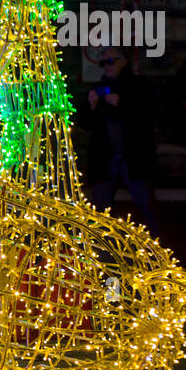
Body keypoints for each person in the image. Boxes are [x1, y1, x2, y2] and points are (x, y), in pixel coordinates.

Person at [75, 49, 160, 236]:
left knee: (145, 204)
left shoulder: (139, 85)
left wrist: (122, 103)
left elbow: (151, 114)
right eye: (103, 63)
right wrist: (91, 106)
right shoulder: (99, 87)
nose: (107, 66)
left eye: (111, 61)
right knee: (100, 208)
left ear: (124, 61)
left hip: (133, 156)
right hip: (106, 157)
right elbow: (85, 123)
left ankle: (158, 248)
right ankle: (99, 249)